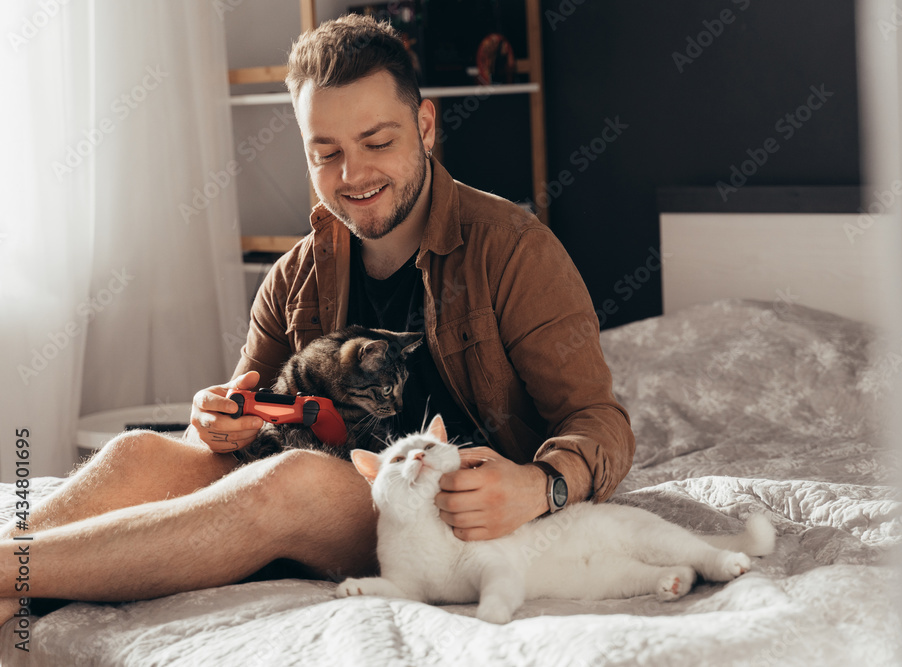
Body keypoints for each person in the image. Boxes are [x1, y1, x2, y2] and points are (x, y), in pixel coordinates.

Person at [0, 15, 633, 624]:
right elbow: (234, 435)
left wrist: (539, 486)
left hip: (446, 517)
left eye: (377, 143)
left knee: (296, 479)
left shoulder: (515, 249)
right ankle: (10, 579)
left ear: (426, 125)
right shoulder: (294, 275)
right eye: (324, 153)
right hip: (316, 486)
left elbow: (599, 420)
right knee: (137, 451)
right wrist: (216, 424)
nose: (352, 175)